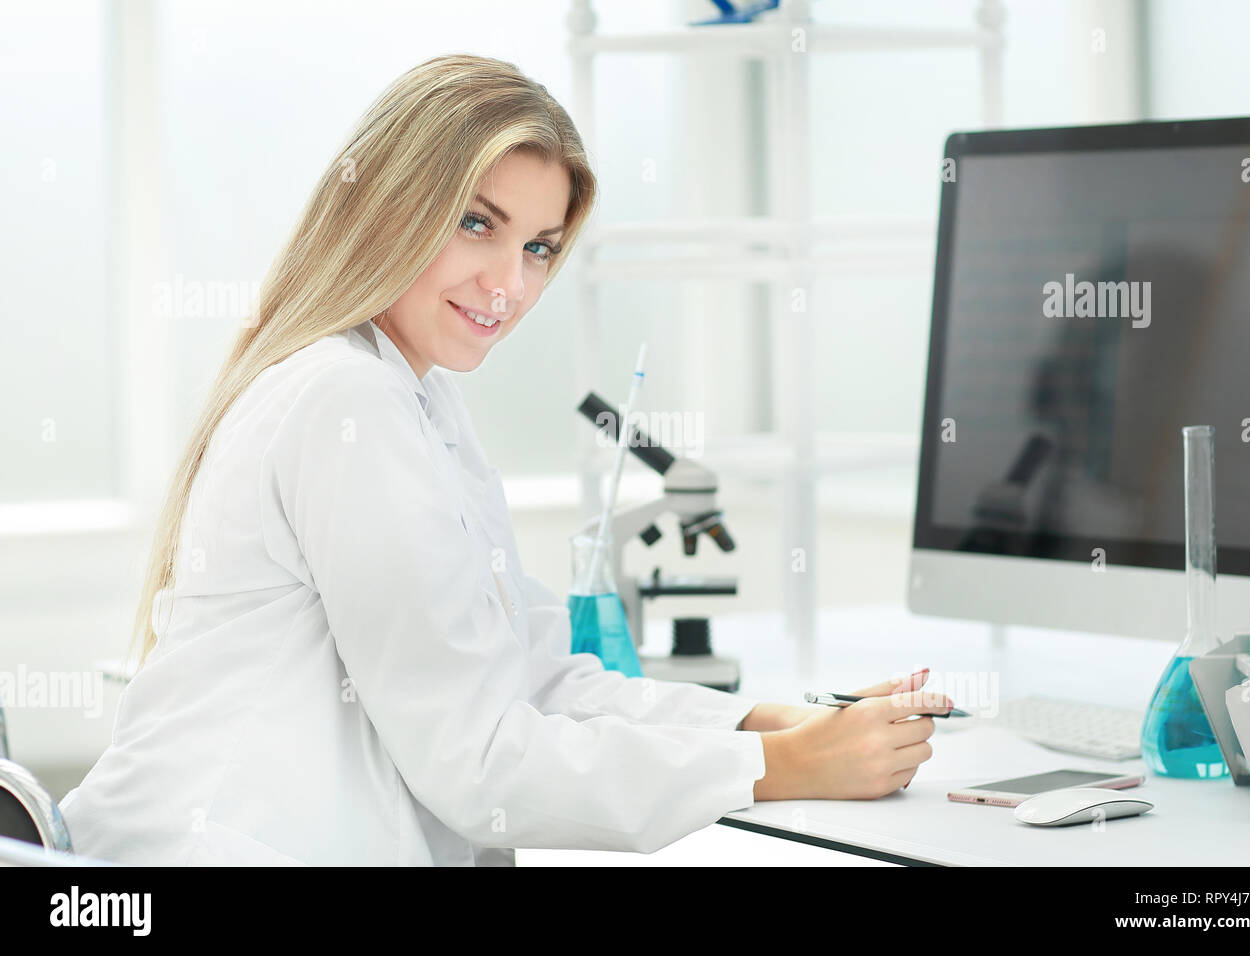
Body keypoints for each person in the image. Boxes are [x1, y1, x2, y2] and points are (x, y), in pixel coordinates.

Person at [59, 54, 950, 866]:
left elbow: (529, 670)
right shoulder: (346, 399)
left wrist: (777, 725)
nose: (509, 285)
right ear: (388, 202)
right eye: (475, 224)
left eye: (537, 247)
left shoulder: (414, 395)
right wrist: (778, 768)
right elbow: (478, 763)